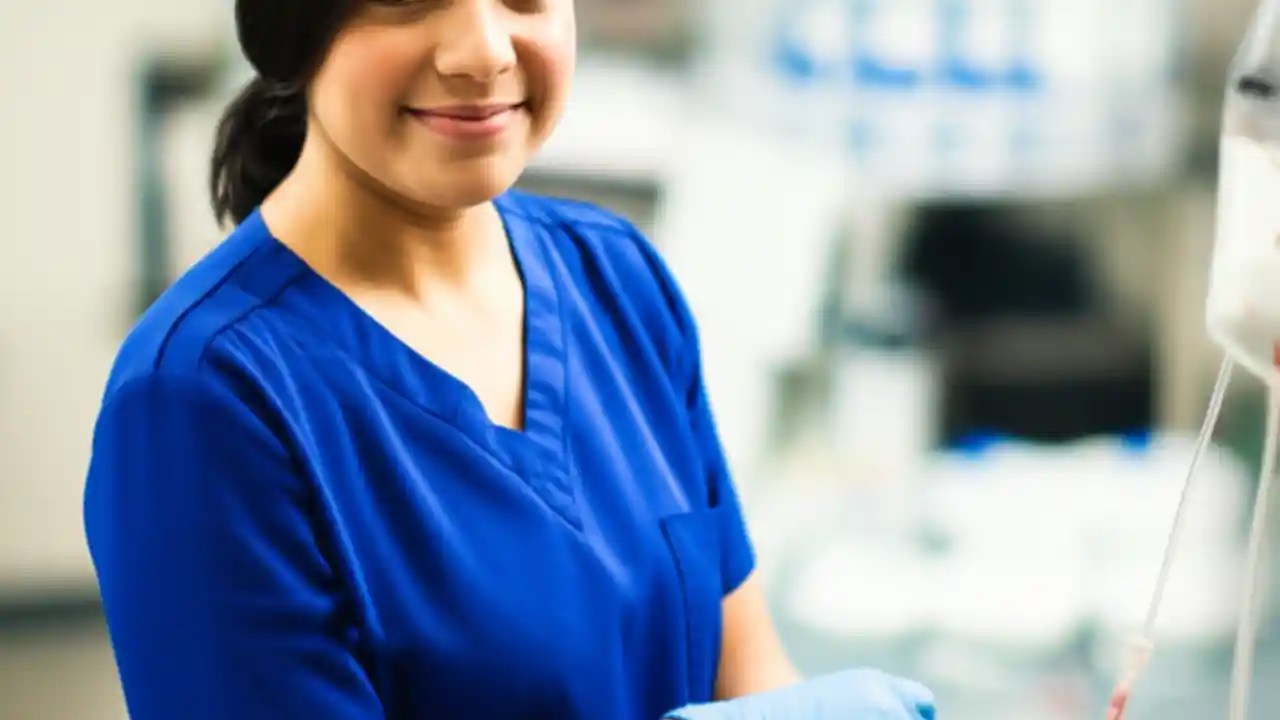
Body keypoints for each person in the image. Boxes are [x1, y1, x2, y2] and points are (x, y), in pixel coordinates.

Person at [82, 1, 937, 718]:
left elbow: (747, 672)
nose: (485, 51)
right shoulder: (205, 400)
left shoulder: (617, 279)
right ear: (293, 26)